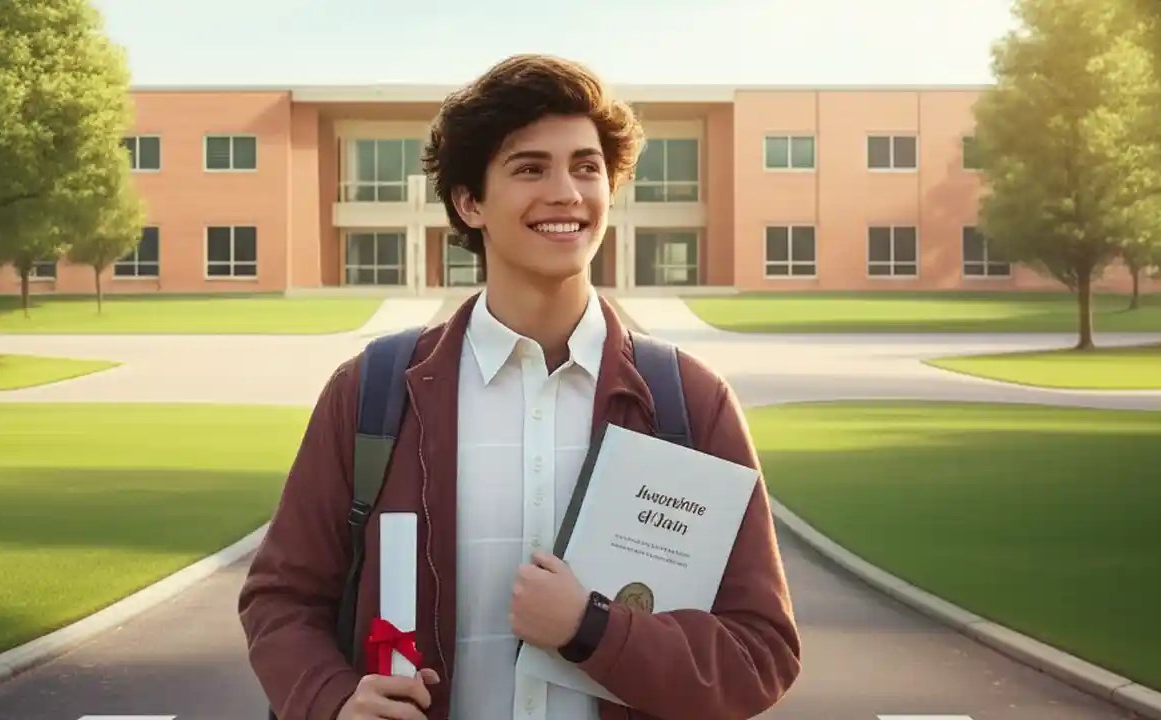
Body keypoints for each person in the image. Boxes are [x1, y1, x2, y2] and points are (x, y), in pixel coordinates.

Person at [238, 53, 801, 720]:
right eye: (530, 168)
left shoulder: (689, 402)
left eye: (586, 167)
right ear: (469, 202)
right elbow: (280, 601)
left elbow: (760, 651)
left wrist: (593, 629)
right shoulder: (372, 395)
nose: (566, 192)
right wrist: (332, 701)